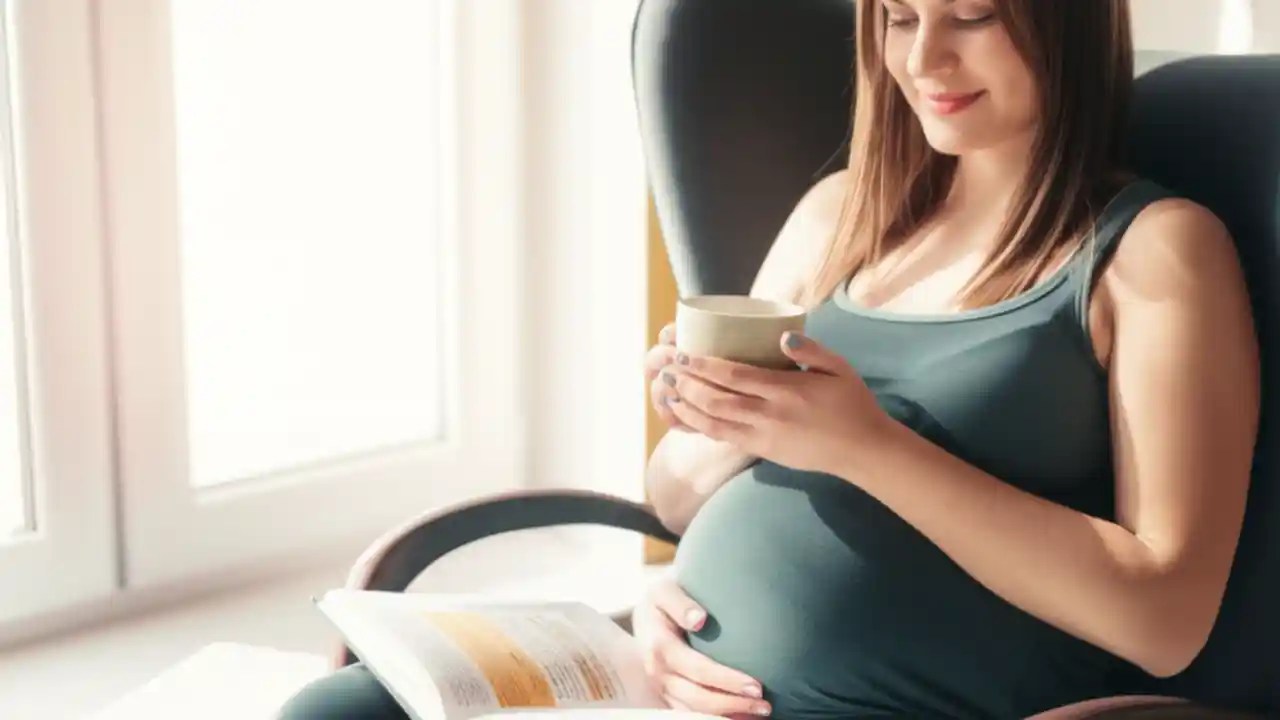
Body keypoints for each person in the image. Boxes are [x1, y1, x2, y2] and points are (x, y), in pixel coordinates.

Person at [279, 0, 1261, 718]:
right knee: (328, 714)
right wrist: (700, 470)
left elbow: (1163, 616)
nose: (925, 56)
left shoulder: (1150, 252)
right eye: (897, 18)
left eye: (969, 16)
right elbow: (672, 498)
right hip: (664, 675)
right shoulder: (843, 212)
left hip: (882, 702)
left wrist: (865, 445)